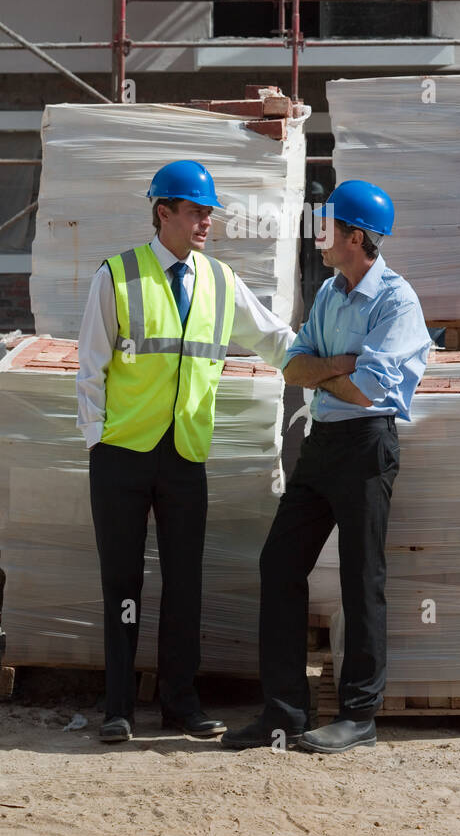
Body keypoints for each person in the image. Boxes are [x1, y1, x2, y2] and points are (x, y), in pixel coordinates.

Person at [77, 159, 296, 743]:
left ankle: (180, 704)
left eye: (209, 213)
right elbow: (91, 367)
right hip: (121, 455)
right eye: (196, 212)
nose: (206, 223)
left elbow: (273, 338)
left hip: (184, 457)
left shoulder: (221, 282)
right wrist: (97, 439)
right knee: (123, 586)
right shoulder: (118, 275)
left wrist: (330, 360)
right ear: (162, 212)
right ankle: (118, 708)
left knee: (184, 585)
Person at [223, 180, 431, 754]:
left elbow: (370, 390)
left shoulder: (396, 301)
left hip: (367, 446)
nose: (319, 236)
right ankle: (284, 712)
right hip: (321, 445)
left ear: (356, 237)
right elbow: (292, 367)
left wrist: (329, 369)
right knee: (279, 564)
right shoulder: (329, 294)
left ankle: (359, 715)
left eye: (328, 226)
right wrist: (339, 364)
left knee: (361, 580)